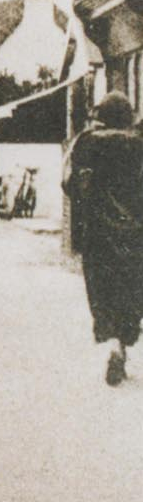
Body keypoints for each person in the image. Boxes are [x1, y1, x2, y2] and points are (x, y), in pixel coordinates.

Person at [62, 92, 143, 387]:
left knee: (103, 292)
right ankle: (123, 342)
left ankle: (113, 346)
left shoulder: (87, 143)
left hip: (98, 235)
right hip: (136, 235)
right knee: (132, 292)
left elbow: (69, 184)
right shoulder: (139, 144)